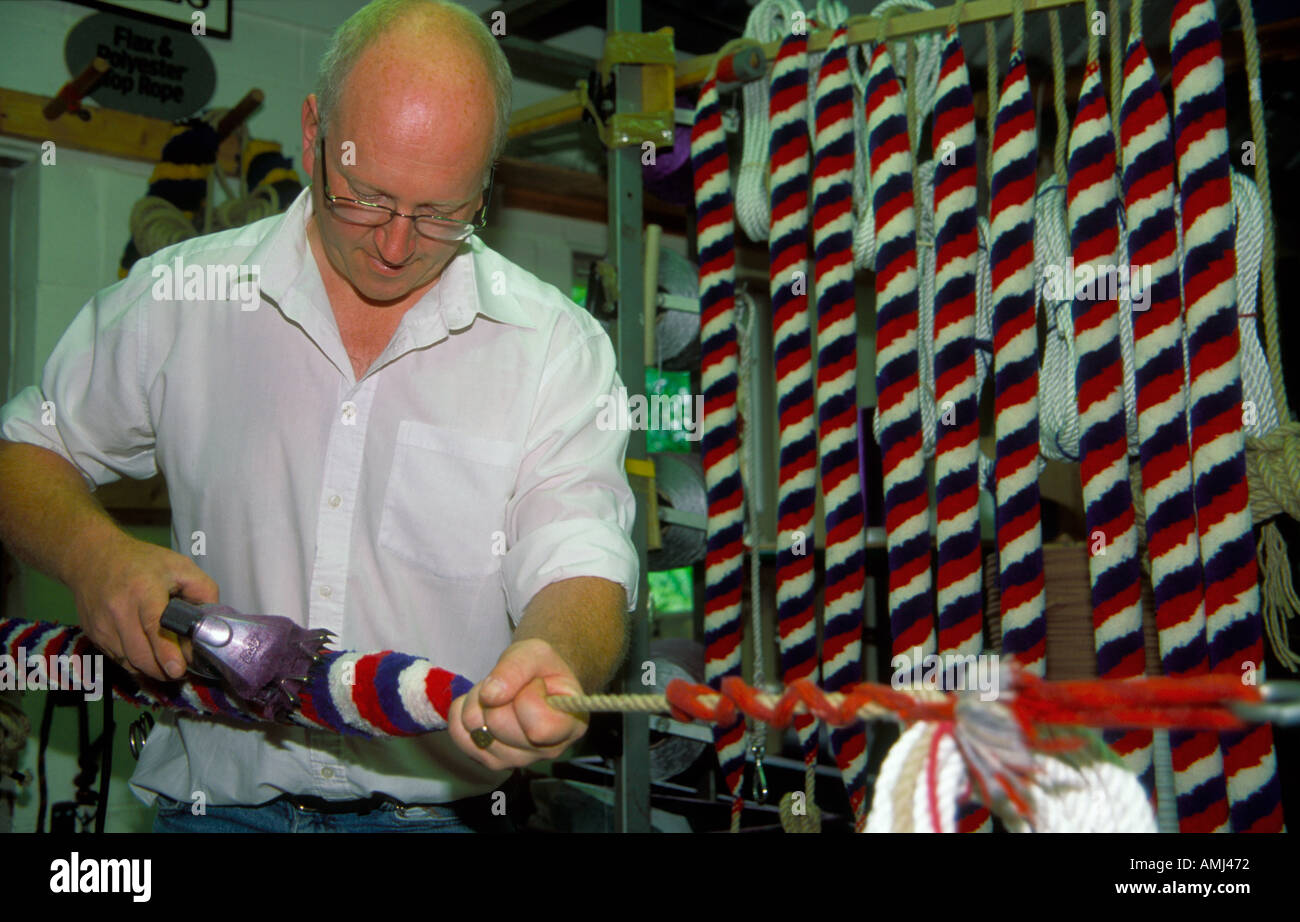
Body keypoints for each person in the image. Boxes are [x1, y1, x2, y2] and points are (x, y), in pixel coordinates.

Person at [0, 0, 638, 832]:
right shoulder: (185, 297)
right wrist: (95, 559)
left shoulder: (553, 344)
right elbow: (25, 450)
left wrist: (556, 654)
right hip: (215, 813)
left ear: (488, 182)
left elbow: (579, 554)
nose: (399, 246)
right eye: (367, 197)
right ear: (312, 135)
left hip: (439, 819)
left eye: (445, 212)